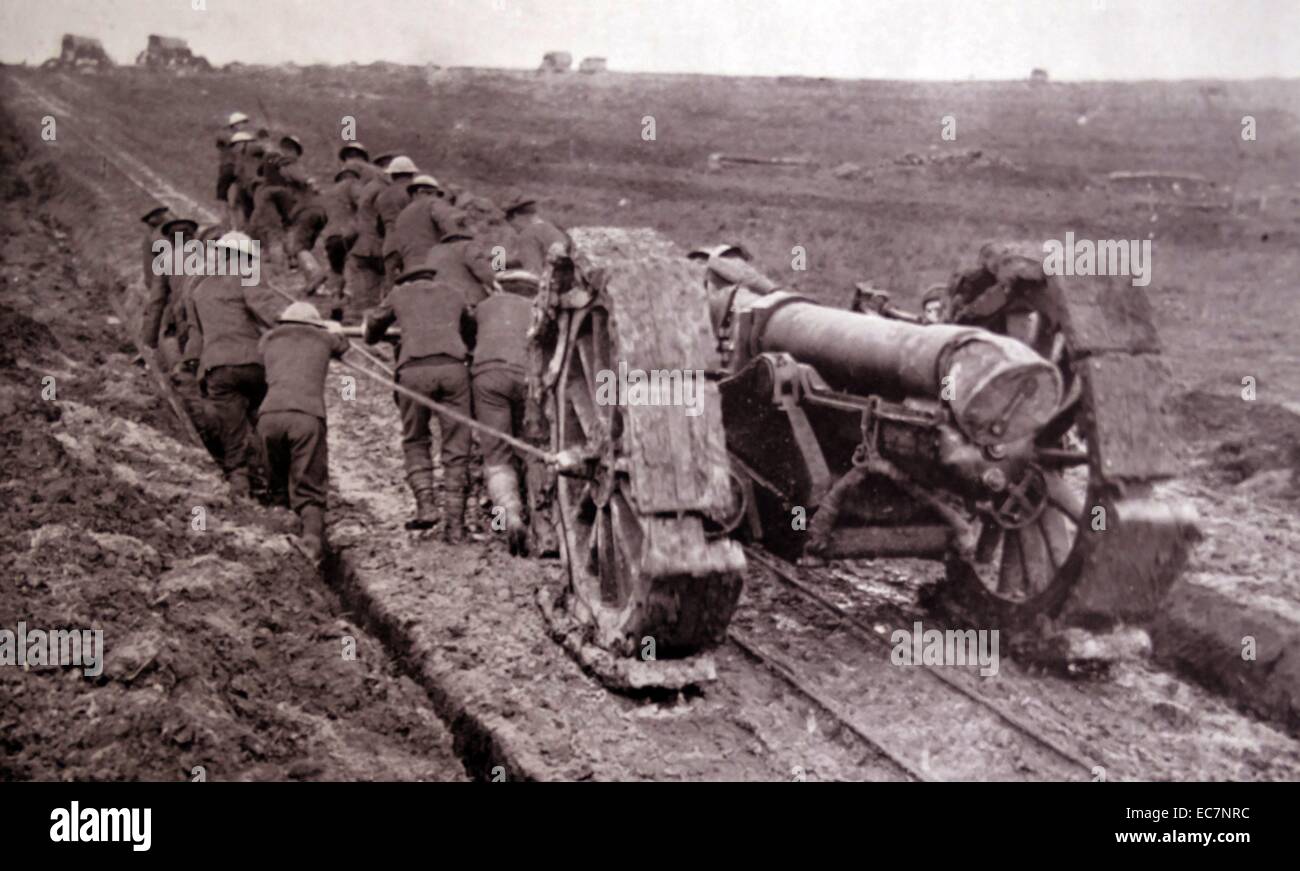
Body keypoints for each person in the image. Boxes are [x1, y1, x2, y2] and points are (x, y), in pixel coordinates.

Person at [363, 266, 474, 541]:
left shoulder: (399, 293)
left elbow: (373, 329)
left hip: (414, 372)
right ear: (431, 278)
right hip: (454, 369)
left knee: (415, 438)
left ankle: (426, 507)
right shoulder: (454, 292)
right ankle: (456, 526)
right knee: (457, 443)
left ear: (406, 280)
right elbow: (471, 331)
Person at [184, 232, 284, 496]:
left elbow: (195, 331)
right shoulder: (247, 273)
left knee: (232, 429)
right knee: (264, 422)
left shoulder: (199, 285)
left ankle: (240, 483)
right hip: (253, 362)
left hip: (216, 367)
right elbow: (267, 312)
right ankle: (273, 485)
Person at [257, 301, 349, 562]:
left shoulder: (268, 339)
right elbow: (343, 346)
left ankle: (275, 540)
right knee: (309, 485)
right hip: (307, 417)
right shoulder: (323, 338)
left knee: (276, 484)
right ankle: (311, 542)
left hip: (269, 417)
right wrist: (335, 329)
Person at [471, 268, 538, 555]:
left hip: (488, 377)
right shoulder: (537, 309)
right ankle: (541, 522)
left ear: (501, 287)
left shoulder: (484, 307)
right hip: (527, 377)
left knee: (497, 456)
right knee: (531, 448)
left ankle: (507, 517)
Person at [346, 153, 396, 318]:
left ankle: (358, 320)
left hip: (362, 245)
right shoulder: (385, 189)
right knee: (377, 292)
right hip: (378, 245)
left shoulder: (368, 187)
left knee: (364, 292)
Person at [375, 155, 419, 293]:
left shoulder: (382, 195)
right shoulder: (414, 192)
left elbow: (379, 226)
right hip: (411, 244)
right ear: (411, 174)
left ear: (392, 175)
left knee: (391, 285)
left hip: (390, 243)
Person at [389, 173, 444, 278]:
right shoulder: (432, 203)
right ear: (421, 192)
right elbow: (450, 228)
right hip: (433, 266)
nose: (437, 198)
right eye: (435, 194)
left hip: (410, 269)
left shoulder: (401, 215)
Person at [502, 193, 568, 275]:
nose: (516, 231)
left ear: (516, 216)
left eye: (513, 225)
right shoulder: (553, 230)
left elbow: (532, 273)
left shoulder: (527, 234)